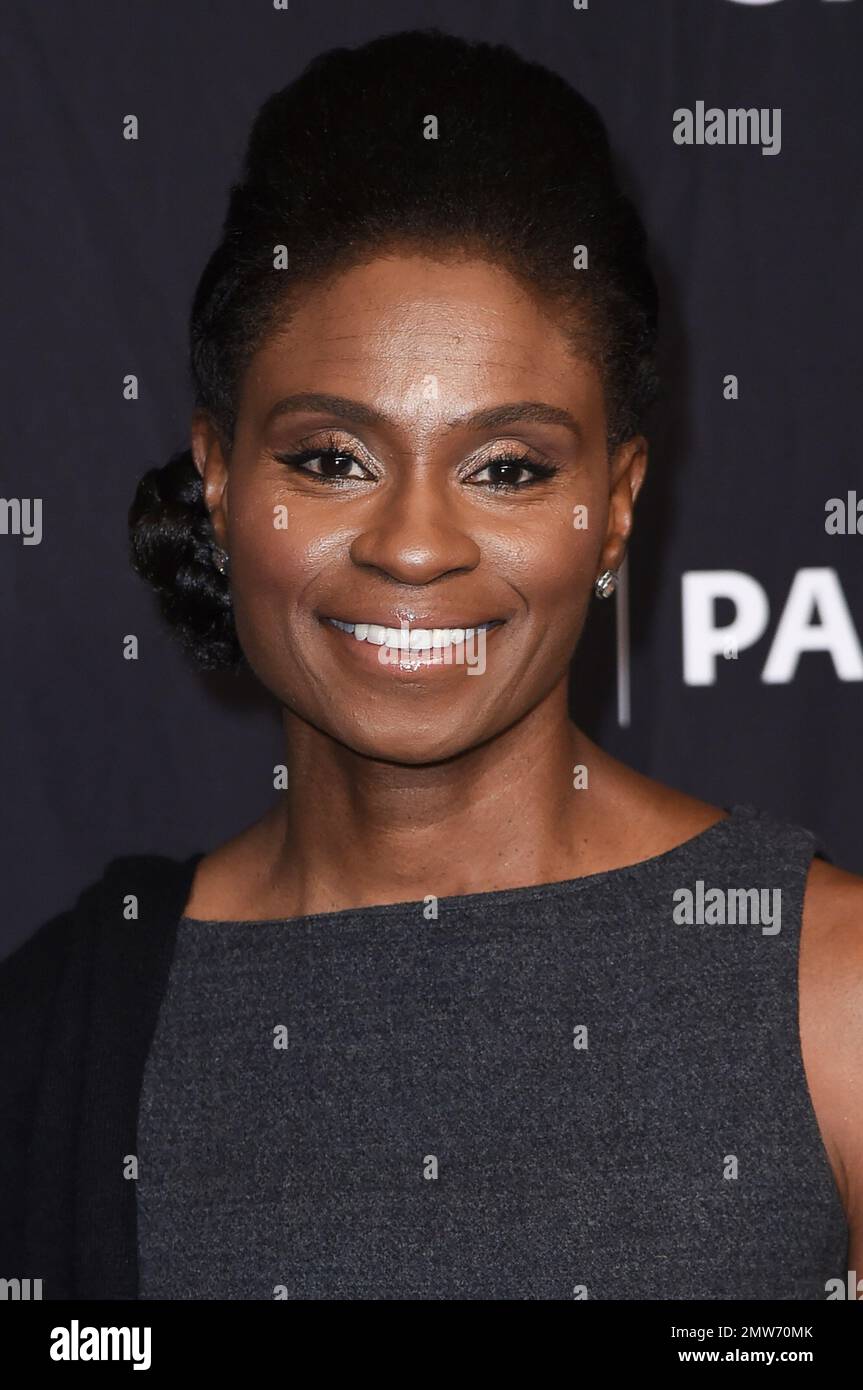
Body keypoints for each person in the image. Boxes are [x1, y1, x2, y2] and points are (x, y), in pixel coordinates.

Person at [2, 28, 861, 1302]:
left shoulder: (831, 999)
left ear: (615, 505)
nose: (412, 546)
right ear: (220, 474)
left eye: (506, 467)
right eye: (329, 458)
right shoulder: (60, 1033)